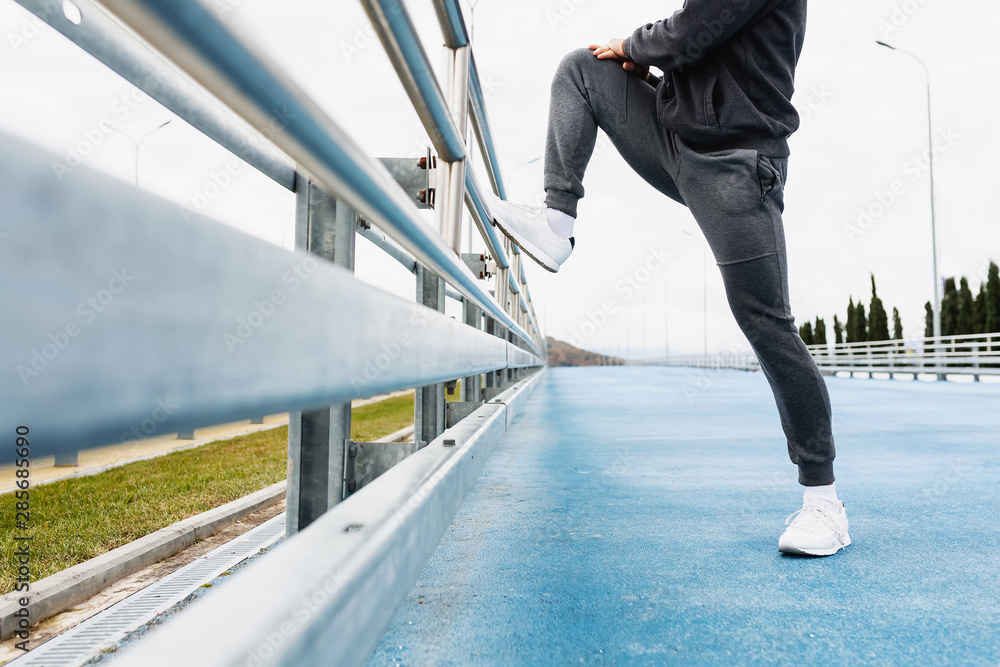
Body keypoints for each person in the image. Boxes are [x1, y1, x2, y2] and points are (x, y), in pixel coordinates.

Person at [489, 0, 850, 556]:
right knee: (583, 68)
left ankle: (824, 503)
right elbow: (702, 49)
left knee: (767, 321)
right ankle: (557, 222)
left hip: (737, 164)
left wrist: (636, 46)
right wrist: (649, 71)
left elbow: (694, 30)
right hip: (675, 137)